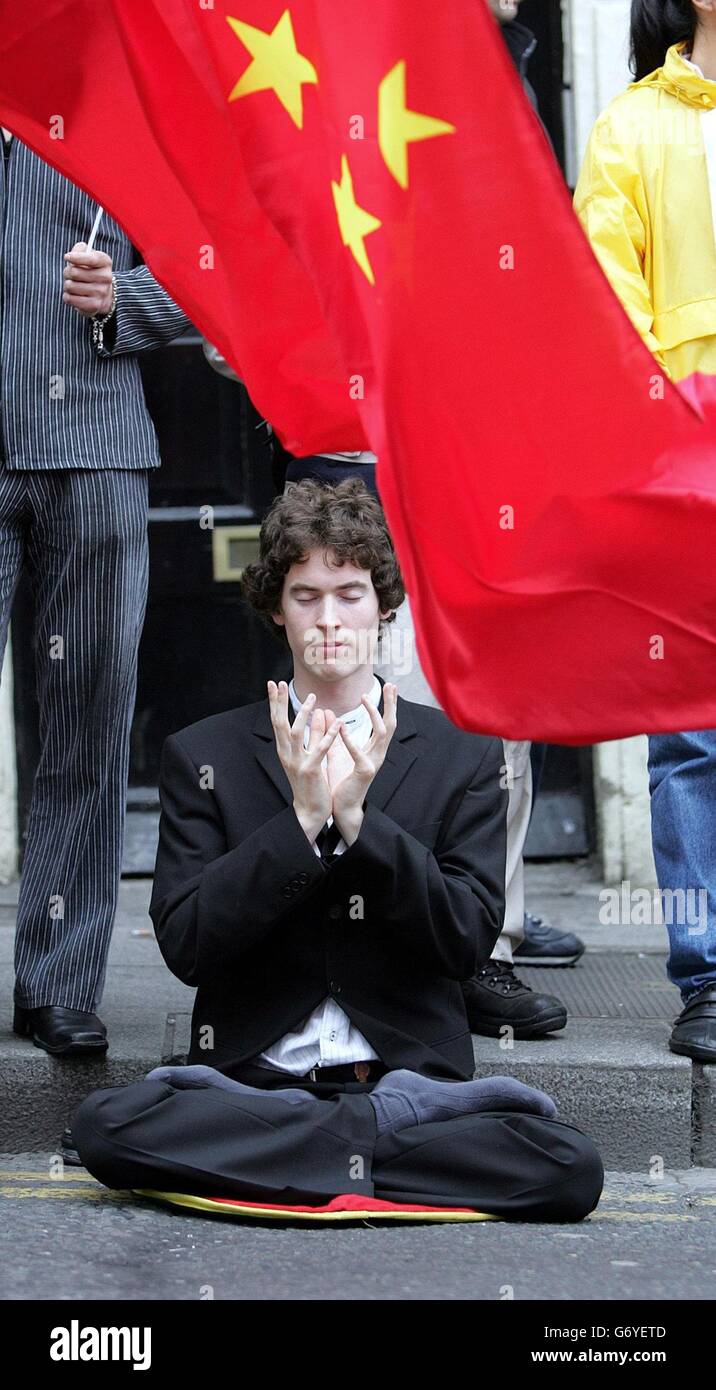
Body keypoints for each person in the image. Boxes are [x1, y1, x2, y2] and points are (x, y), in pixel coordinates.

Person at [70, 479, 603, 1218]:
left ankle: (304, 1158)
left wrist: (360, 826)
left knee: (568, 1169)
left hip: (410, 1091)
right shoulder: (203, 751)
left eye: (350, 593)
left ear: (384, 605)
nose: (329, 619)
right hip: (256, 1084)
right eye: (306, 595)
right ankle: (356, 1152)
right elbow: (189, 945)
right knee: (105, 1128)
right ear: (275, 609)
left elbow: (465, 941)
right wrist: (299, 825)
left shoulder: (461, 754)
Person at [1, 128, 191, 1057]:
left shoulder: (119, 106)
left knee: (88, 720)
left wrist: (128, 298)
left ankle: (57, 980)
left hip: (98, 451)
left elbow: (213, 262)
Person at [573, 0, 716, 1061]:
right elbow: (605, 302)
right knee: (693, 730)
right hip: (690, 451)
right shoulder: (630, 126)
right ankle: (707, 975)